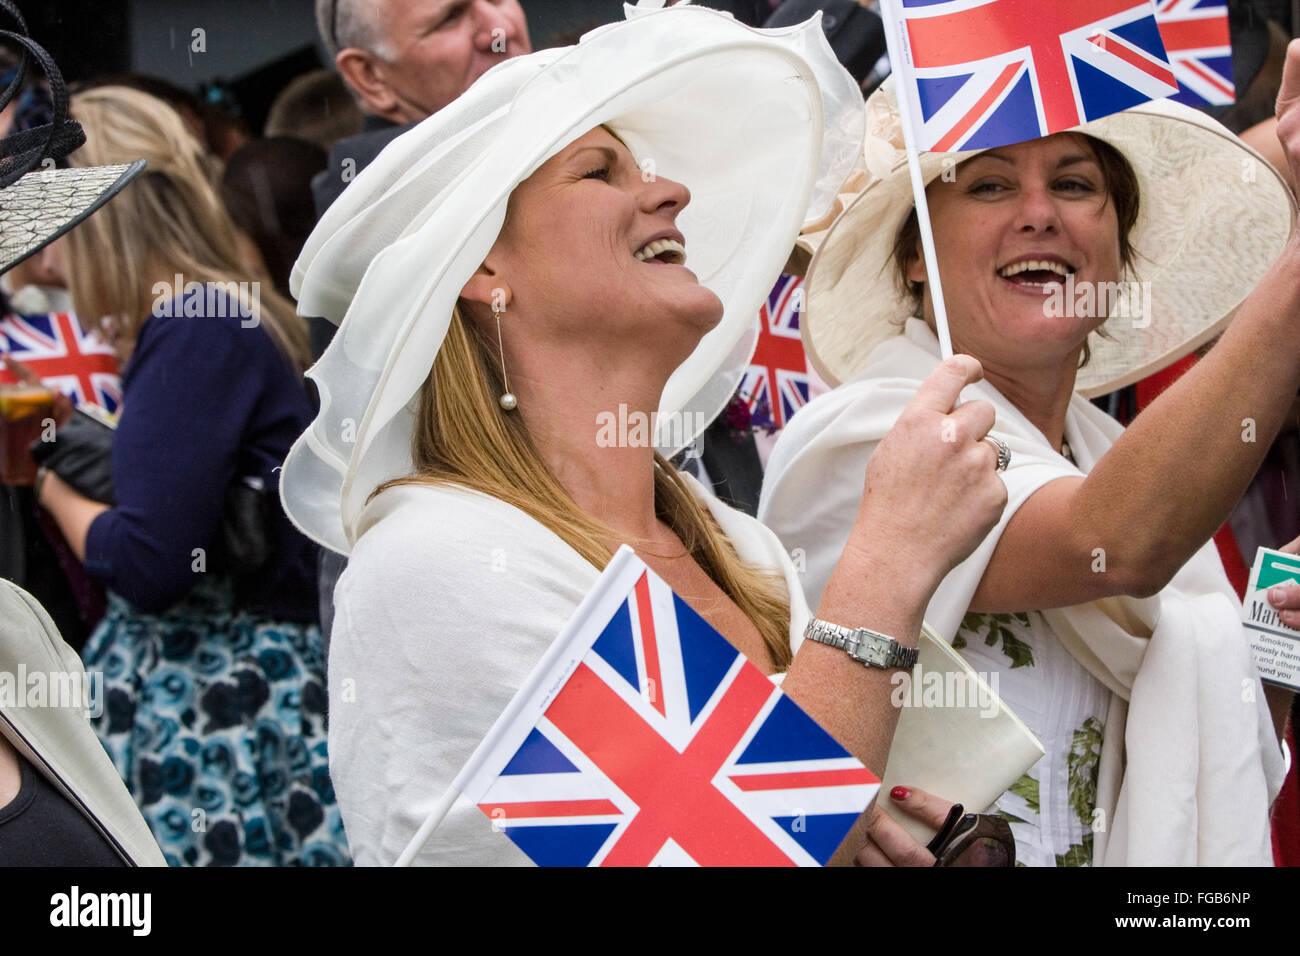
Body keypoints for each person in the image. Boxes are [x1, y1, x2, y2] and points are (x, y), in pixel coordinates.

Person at [281, 3, 1009, 866]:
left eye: (646, 170)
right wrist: (889, 563)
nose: (671, 193)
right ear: (481, 268)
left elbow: (836, 817)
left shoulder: (741, 547)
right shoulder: (441, 560)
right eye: (599, 172)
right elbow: (745, 852)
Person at [759, 44, 1300, 866]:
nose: (1040, 213)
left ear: (1119, 252)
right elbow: (1118, 543)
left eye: (1076, 185)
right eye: (989, 184)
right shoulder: (864, 441)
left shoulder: (1112, 454)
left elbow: (1213, 769)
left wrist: (1273, 638)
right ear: (914, 254)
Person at [36, 86, 350, 867]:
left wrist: (39, 480)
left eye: (43, 205)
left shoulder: (194, 327)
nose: (38, 243)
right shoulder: (215, 315)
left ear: (93, 211)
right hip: (242, 700)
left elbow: (152, 562)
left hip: (221, 714)